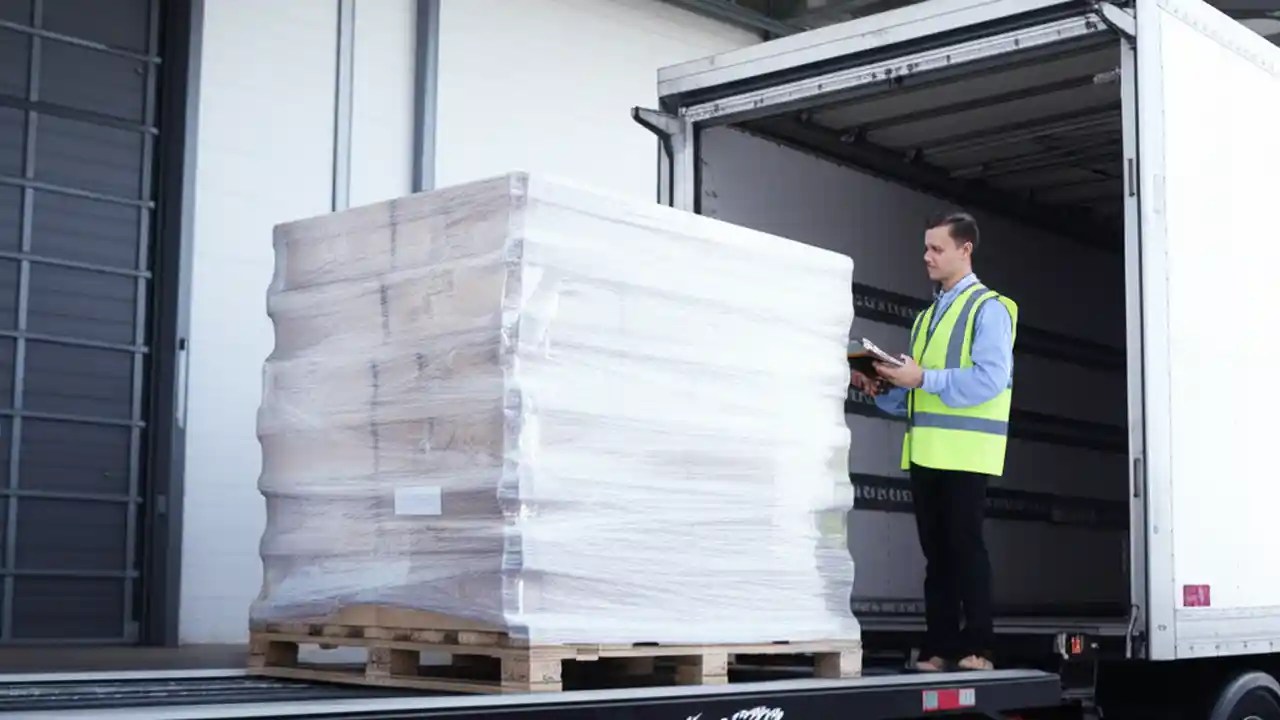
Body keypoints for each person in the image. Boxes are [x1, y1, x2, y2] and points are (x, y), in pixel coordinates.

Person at [850, 211, 1017, 673]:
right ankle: (940, 645)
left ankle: (979, 647)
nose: (926, 256)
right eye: (925, 247)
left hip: (966, 452)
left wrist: (921, 376)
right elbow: (918, 393)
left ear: (965, 250)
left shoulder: (991, 309)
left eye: (936, 248)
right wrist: (881, 387)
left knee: (965, 548)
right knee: (937, 555)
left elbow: (990, 380)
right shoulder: (925, 318)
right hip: (926, 452)